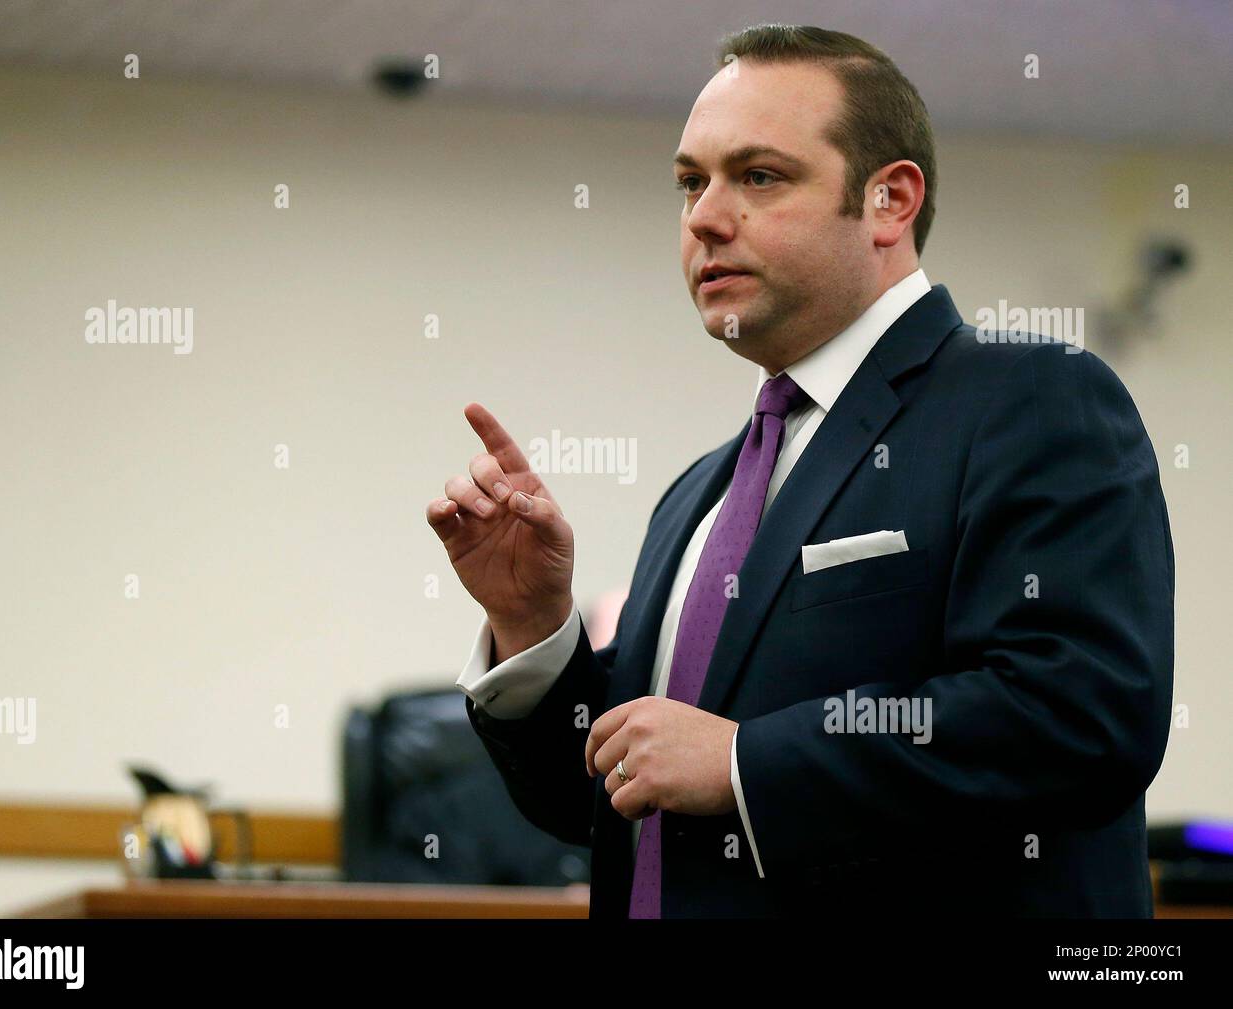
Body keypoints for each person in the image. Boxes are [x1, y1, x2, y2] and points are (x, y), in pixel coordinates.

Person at [425, 24, 1174, 918]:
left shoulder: (1035, 399)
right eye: (690, 181)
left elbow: (1078, 715)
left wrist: (747, 764)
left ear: (889, 201)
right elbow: (602, 799)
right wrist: (532, 625)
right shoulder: (698, 496)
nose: (704, 215)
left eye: (759, 176)